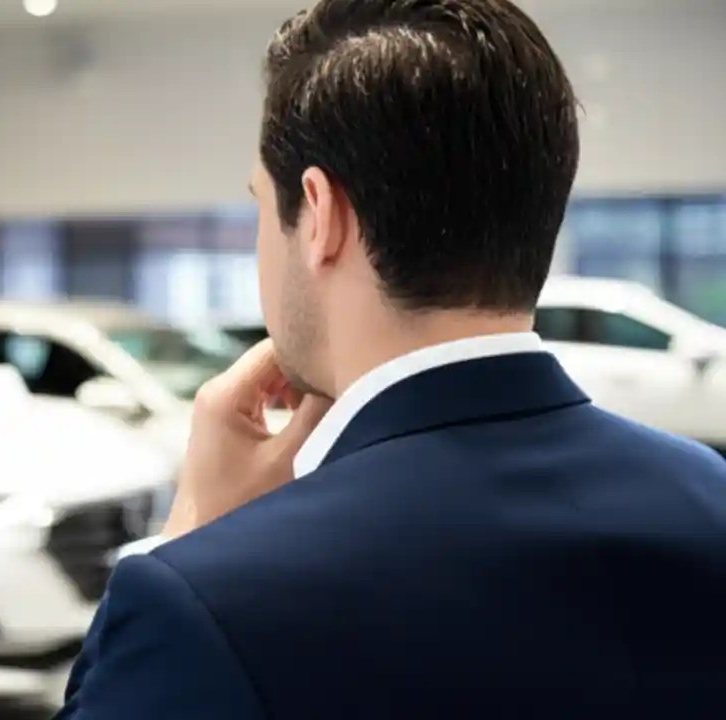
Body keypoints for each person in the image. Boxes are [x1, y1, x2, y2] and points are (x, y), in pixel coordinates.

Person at [56, 0, 726, 717]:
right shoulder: (710, 502)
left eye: (261, 204)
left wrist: (188, 540)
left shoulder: (204, 604)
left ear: (320, 216)